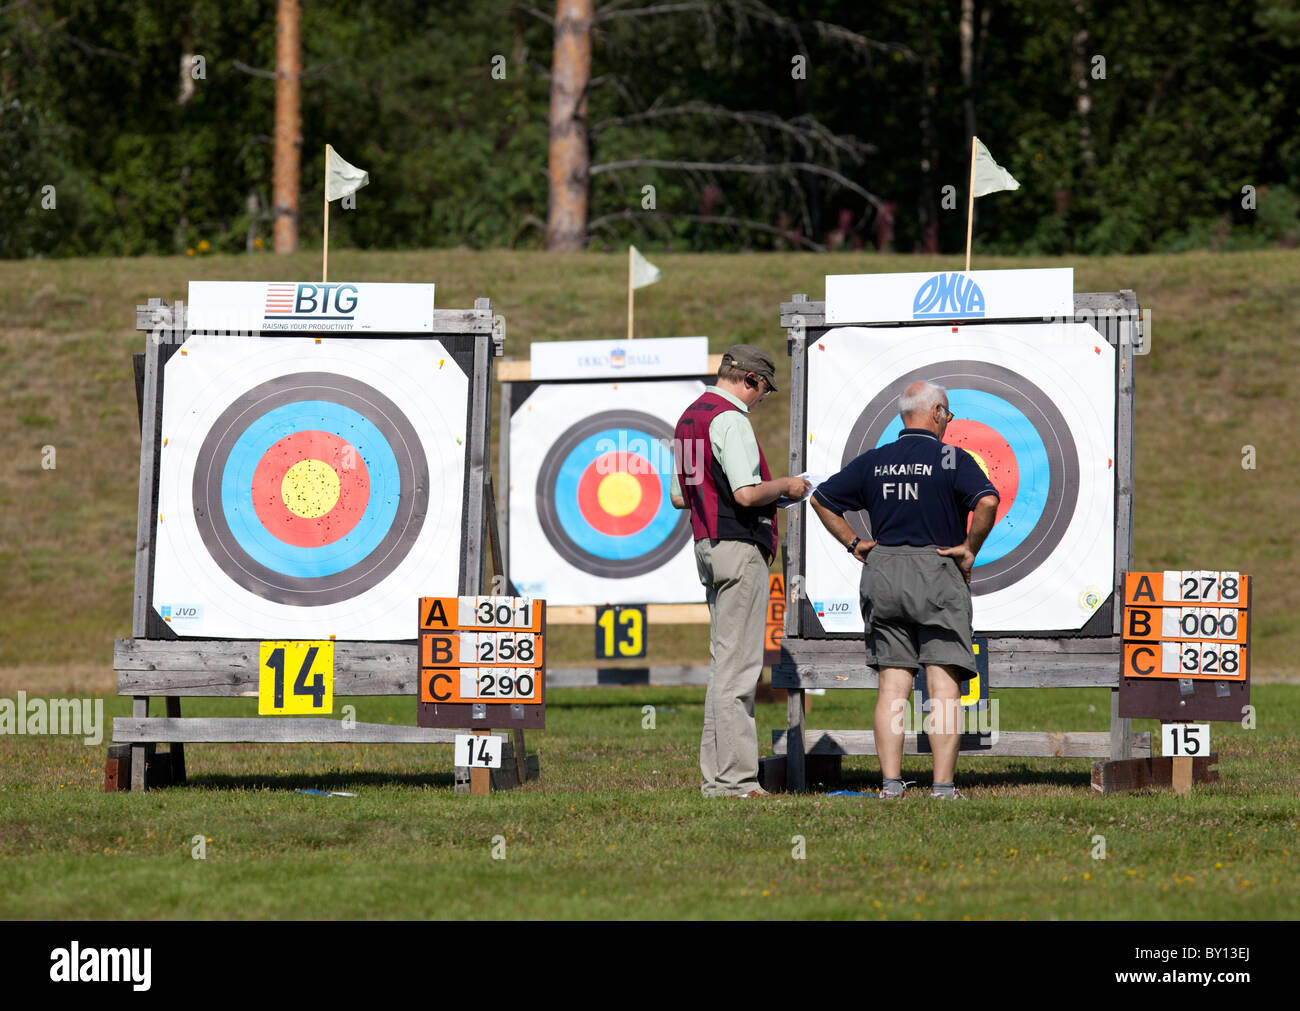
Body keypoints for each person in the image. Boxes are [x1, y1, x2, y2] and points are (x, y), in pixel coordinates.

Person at [809, 381, 999, 799]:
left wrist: (855, 543)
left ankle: (891, 785)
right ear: (935, 413)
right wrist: (969, 549)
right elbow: (987, 500)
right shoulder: (952, 458)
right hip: (936, 571)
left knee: (893, 685)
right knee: (943, 683)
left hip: (885, 572)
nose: (948, 422)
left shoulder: (875, 460)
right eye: (947, 414)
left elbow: (821, 499)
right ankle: (943, 787)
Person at [670, 345, 811, 798]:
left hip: (707, 547)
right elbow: (748, 494)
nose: (760, 398)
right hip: (738, 546)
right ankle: (735, 781)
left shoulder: (688, 417)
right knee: (741, 670)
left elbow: (678, 497)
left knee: (723, 665)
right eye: (763, 390)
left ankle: (717, 778)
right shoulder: (729, 418)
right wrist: (789, 486)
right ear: (748, 379)